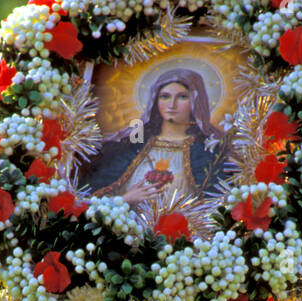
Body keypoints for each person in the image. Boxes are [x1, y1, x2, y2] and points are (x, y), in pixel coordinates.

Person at [84, 68, 231, 208]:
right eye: (165, 96)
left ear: (195, 102)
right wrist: (125, 199)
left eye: (182, 97)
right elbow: (94, 198)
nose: (172, 105)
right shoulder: (131, 145)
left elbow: (215, 206)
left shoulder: (207, 153)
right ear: (156, 100)